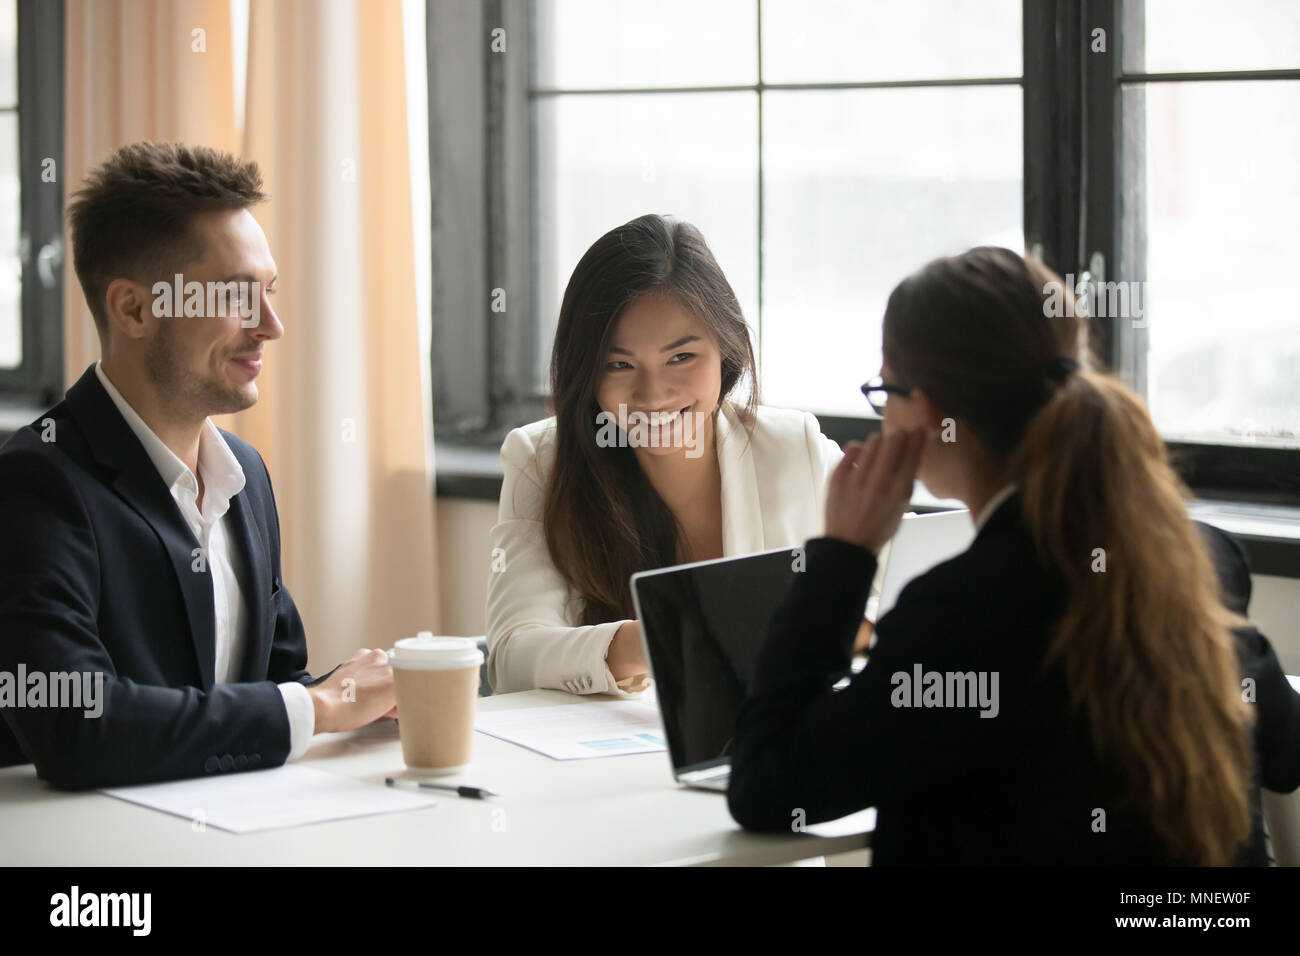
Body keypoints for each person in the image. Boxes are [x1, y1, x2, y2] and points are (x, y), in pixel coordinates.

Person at [727, 246, 1300, 864]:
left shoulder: (956, 617)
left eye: (884, 391)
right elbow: (1287, 750)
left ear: (928, 412)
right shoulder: (1203, 560)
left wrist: (843, 555)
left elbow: (765, 784)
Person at [0, 142, 395, 789]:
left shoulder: (246, 474)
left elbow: (272, 688)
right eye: (239, 296)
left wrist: (365, 699)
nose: (271, 326)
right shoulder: (36, 483)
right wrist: (323, 705)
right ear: (133, 309)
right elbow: (72, 723)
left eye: (268, 293)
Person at [485, 214, 872, 696]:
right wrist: (660, 636)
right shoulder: (542, 458)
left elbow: (893, 609)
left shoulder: (797, 448)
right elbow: (512, 660)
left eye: (680, 357)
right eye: (619, 364)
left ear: (725, 351)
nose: (652, 395)